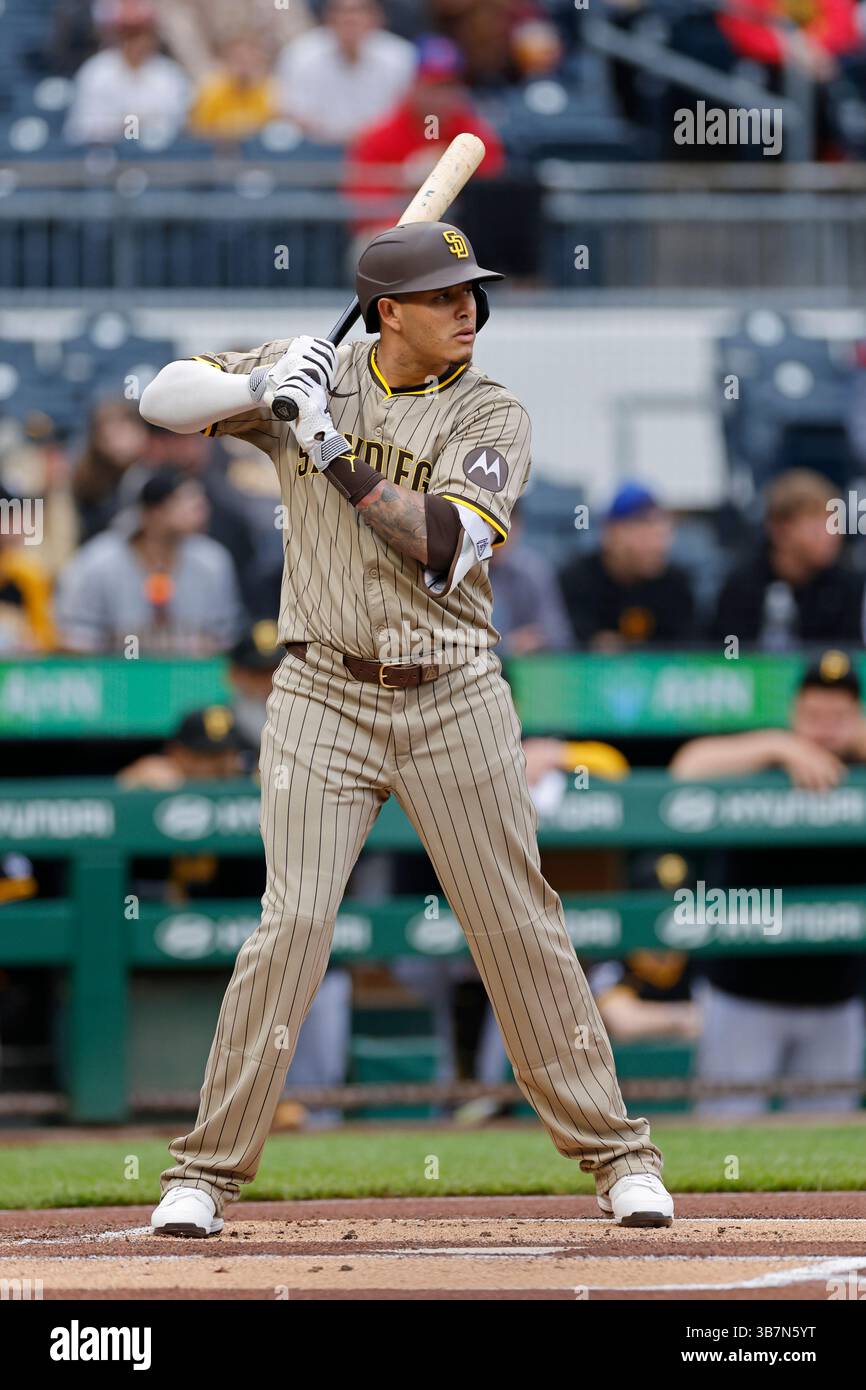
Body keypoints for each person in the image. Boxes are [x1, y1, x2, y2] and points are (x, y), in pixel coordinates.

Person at [141, 219, 673, 1236]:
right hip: (320, 689)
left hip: (453, 688)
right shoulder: (316, 377)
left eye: (467, 291)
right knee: (291, 923)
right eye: (438, 295)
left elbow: (444, 546)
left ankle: (617, 1158)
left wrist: (328, 447)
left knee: (514, 923)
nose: (465, 307)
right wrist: (260, 389)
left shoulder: (493, 409)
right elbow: (157, 397)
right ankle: (203, 1173)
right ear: (386, 311)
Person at [670, 651, 866, 1114]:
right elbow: (688, 767)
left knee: (828, 1153)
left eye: (839, 715)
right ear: (794, 713)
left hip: (836, 996)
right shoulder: (762, 759)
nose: (825, 727)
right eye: (814, 714)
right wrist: (780, 747)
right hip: (744, 992)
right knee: (726, 1138)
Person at [54, 468, 244, 654]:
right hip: (114, 678)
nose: (201, 509)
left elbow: (227, 635)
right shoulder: (97, 562)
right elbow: (73, 638)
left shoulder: (213, 561)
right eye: (187, 500)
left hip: (191, 680)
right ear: (154, 512)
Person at [344, 35, 504, 245]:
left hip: (460, 238)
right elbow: (362, 207)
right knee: (374, 245)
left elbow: (496, 186)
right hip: (396, 237)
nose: (441, 96)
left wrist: (452, 174)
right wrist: (405, 180)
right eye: (433, 85)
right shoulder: (381, 135)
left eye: (449, 86)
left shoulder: (473, 133)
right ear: (414, 85)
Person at [711, 469, 864, 650]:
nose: (831, 535)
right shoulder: (741, 587)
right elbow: (726, 657)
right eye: (816, 525)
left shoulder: (847, 588)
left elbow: (851, 660)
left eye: (835, 523)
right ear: (779, 529)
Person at [557, 482, 696, 650]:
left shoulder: (676, 585)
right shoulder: (577, 580)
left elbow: (690, 649)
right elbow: (564, 642)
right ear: (611, 534)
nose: (657, 545)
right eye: (643, 533)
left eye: (661, 534)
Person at [276, 0, 415, 145]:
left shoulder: (401, 56)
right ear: (327, 16)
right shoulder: (299, 54)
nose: (350, 18)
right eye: (340, 11)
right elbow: (292, 112)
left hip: (380, 148)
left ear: (377, 16)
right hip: (315, 148)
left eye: (360, 10)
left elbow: (405, 114)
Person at [64, 0, 189, 147]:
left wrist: (133, 125)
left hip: (161, 160)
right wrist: (133, 125)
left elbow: (180, 126)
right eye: (129, 33)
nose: (137, 41)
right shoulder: (96, 72)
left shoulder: (169, 74)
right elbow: (83, 129)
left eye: (142, 32)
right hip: (107, 159)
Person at [489, 504, 572, 654]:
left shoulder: (534, 571)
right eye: (488, 524)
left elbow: (559, 634)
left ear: (518, 527)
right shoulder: (456, 572)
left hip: (524, 670)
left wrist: (538, 639)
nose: (496, 535)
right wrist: (506, 644)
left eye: (504, 524)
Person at [187, 34, 277, 142]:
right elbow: (197, 131)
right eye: (239, 61)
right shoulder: (211, 91)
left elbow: (273, 128)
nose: (244, 68)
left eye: (250, 61)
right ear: (226, 62)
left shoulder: (269, 91)